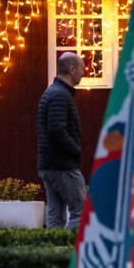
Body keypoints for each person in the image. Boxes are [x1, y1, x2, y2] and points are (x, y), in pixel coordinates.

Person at [37, 52, 86, 230]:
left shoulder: (53, 92)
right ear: (72, 70)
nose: (84, 73)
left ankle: (54, 254)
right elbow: (57, 130)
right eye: (82, 69)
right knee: (81, 212)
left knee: (55, 215)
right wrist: (76, 150)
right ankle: (70, 253)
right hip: (62, 165)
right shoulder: (60, 95)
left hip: (49, 164)